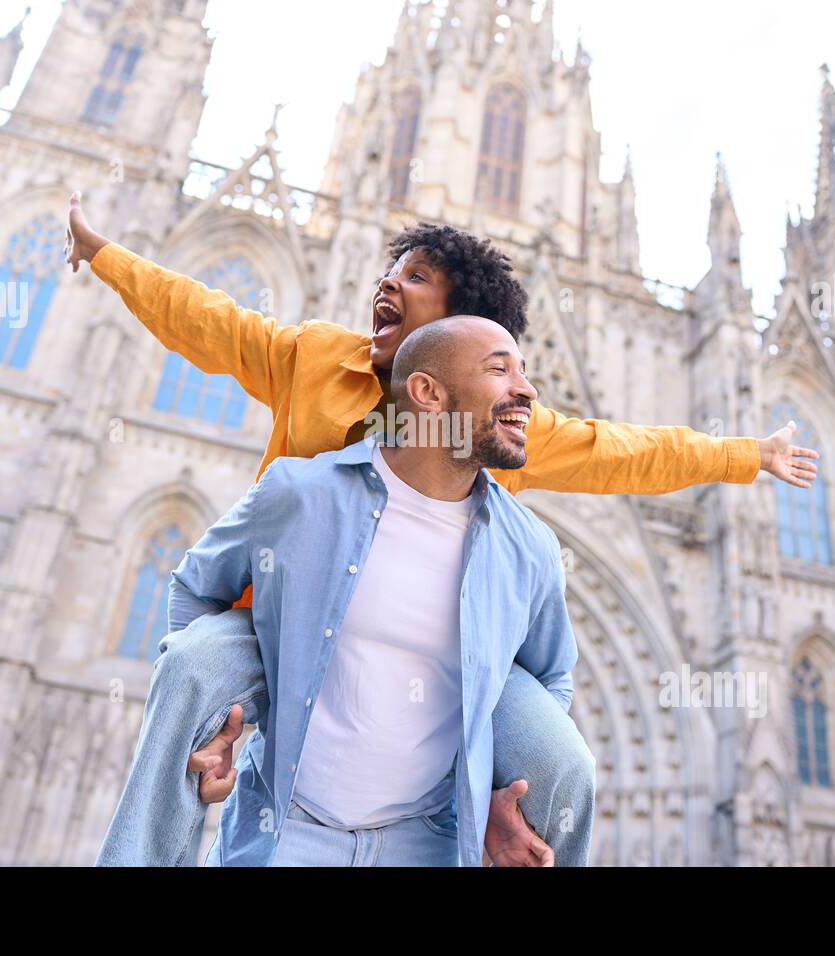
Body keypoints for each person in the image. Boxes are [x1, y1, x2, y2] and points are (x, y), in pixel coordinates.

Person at [68, 193, 819, 865]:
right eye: (390, 274)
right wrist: (104, 255)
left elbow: (623, 452)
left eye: (417, 277)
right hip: (285, 627)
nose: (387, 284)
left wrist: (750, 454)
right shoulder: (315, 368)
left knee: (566, 765)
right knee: (193, 663)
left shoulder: (496, 435)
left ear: (461, 325)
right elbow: (206, 320)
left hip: (442, 661)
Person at [104, 317, 577, 866]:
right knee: (190, 660)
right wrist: (210, 721)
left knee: (574, 769)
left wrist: (499, 790)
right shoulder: (301, 493)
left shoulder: (529, 546)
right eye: (500, 369)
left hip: (426, 843)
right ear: (427, 393)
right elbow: (196, 589)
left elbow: (549, 679)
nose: (527, 389)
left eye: (524, 370)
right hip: (285, 833)